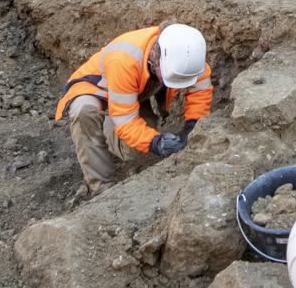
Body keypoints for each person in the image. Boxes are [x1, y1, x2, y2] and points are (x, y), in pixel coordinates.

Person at [54, 22, 212, 196]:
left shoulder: (187, 53)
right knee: (84, 113)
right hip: (97, 87)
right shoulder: (124, 60)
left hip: (132, 89)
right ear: (154, 56)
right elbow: (125, 120)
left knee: (138, 146)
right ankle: (101, 185)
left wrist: (192, 128)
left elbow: (201, 89)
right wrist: (156, 143)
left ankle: (112, 128)